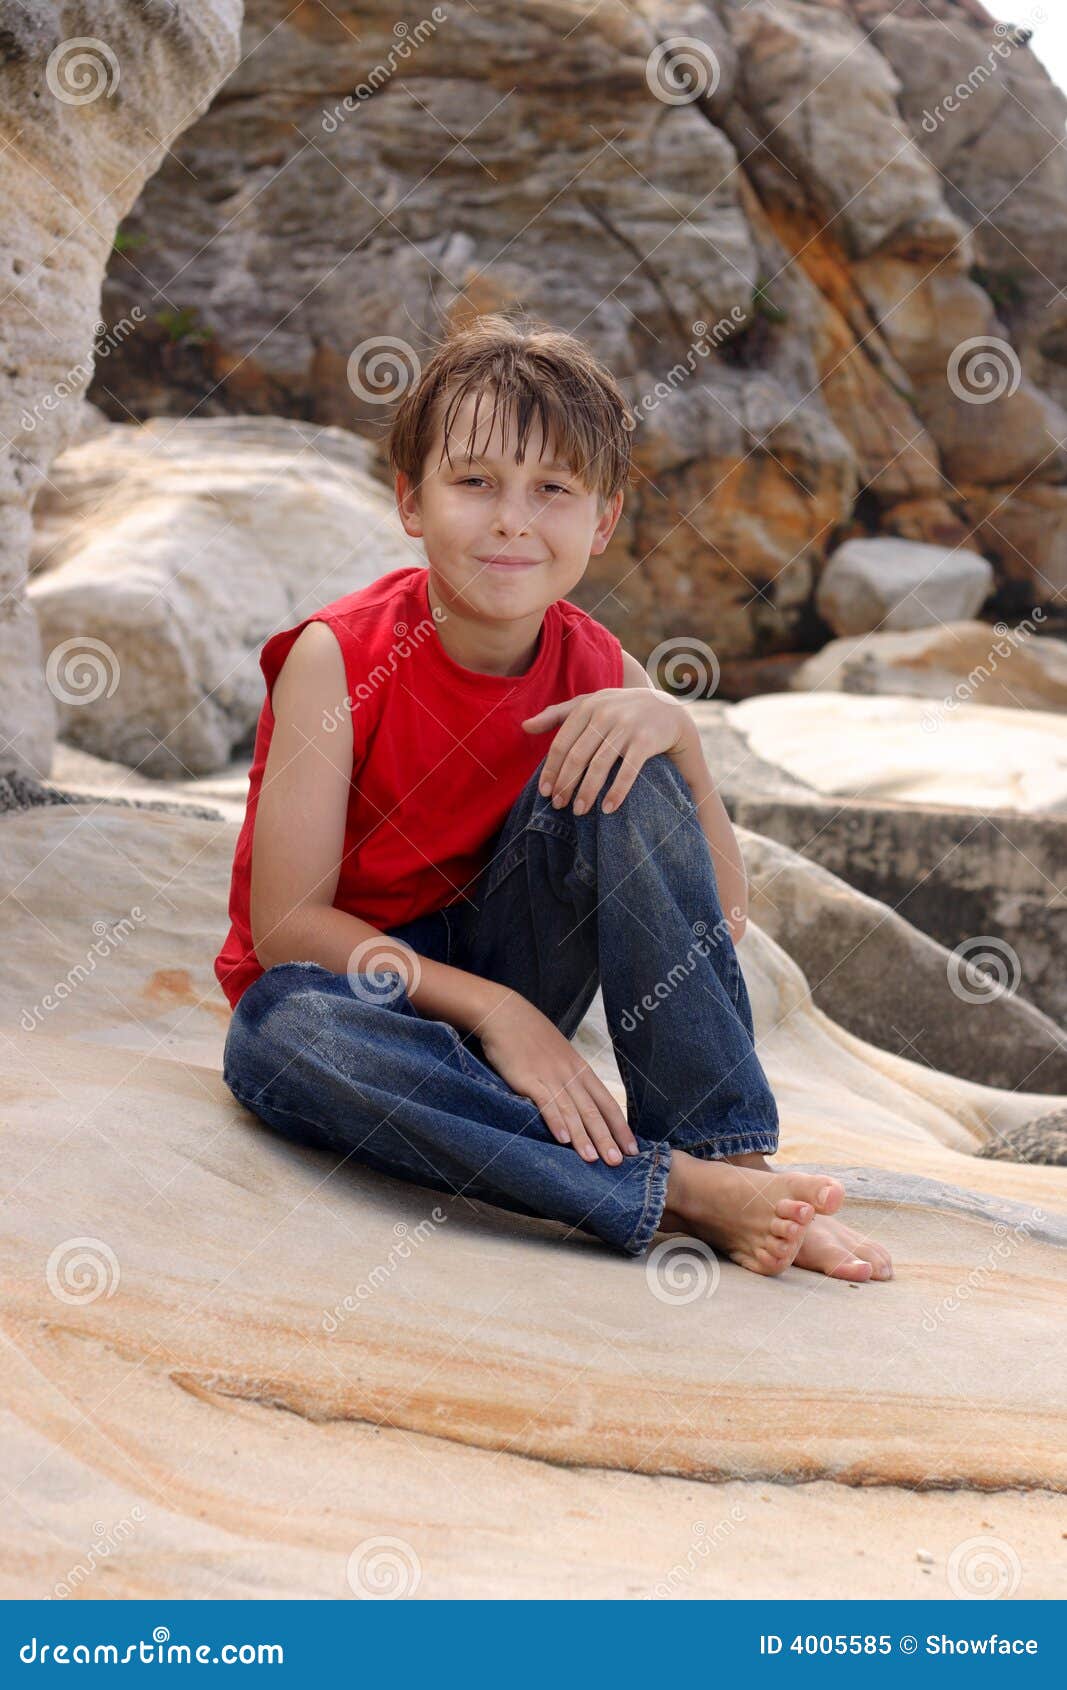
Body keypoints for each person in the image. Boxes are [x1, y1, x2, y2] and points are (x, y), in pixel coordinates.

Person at [216, 313, 892, 1283]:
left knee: (631, 753)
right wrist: (498, 1015)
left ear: (602, 521)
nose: (510, 520)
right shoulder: (338, 655)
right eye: (474, 481)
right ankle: (679, 1192)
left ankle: (733, 1159)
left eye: (553, 491)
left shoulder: (596, 665)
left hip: (515, 948)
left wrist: (683, 743)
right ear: (411, 498)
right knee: (282, 1035)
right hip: (358, 992)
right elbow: (284, 925)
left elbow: (723, 915)